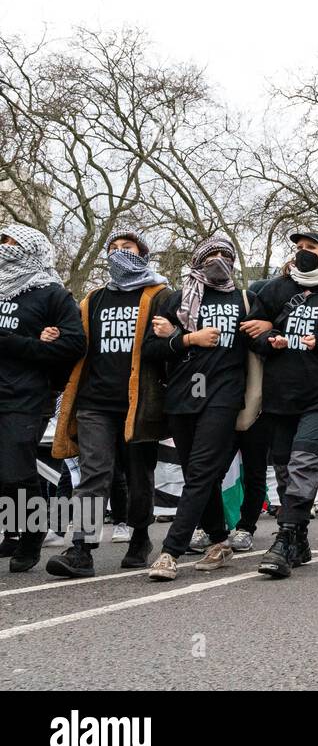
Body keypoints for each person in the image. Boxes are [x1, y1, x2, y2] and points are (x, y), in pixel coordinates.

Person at [242, 232, 318, 578]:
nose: (302, 252)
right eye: (298, 247)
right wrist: (271, 340)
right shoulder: (275, 289)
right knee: (282, 467)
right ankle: (302, 539)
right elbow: (251, 331)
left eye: (310, 248)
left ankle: (285, 537)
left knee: (304, 464)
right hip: (280, 394)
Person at [48, 230, 169, 578]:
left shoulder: (159, 295)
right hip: (95, 402)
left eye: (126, 249)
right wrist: (56, 337)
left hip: (140, 403)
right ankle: (81, 549)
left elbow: (173, 344)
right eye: (112, 249)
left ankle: (140, 537)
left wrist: (171, 334)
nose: (118, 254)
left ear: (143, 255)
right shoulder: (94, 298)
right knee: (93, 474)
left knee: (138, 475)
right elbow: (77, 344)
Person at [141, 236, 251, 580]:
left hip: (224, 394)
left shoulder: (244, 299)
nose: (219, 260)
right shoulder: (177, 300)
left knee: (203, 471)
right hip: (183, 395)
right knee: (195, 475)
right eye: (212, 255)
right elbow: (150, 350)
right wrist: (187, 337)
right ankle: (219, 539)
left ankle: (170, 551)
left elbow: (260, 338)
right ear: (198, 260)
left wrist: (266, 332)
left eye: (225, 255)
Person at [0, 225, 86, 572]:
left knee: (16, 469)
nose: (4, 247)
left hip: (26, 396)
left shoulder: (52, 294)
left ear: (31, 249)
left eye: (11, 242)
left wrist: (15, 343)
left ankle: (33, 533)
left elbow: (73, 345)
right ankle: (13, 531)